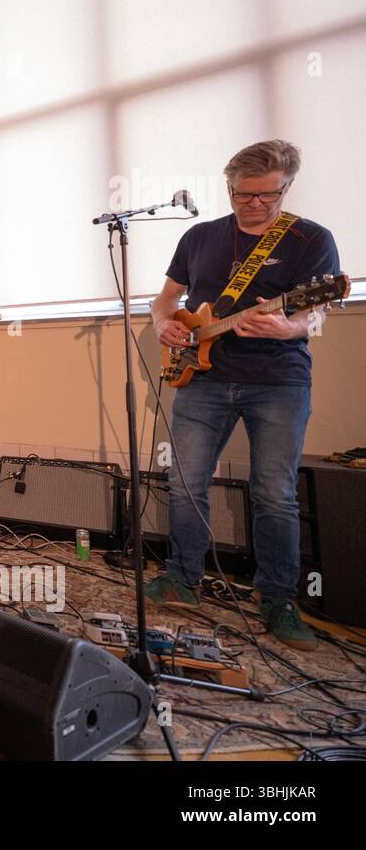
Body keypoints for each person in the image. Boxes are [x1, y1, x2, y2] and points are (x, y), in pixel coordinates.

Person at [147, 140, 340, 650]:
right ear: (229, 187)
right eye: (242, 194)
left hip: (279, 380)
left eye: (267, 195)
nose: (254, 204)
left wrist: (290, 328)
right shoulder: (201, 236)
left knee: (273, 494)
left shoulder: (311, 239)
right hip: (203, 378)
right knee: (185, 481)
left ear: (287, 186)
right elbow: (165, 298)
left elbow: (318, 311)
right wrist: (166, 324)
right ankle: (182, 579)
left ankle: (278, 599)